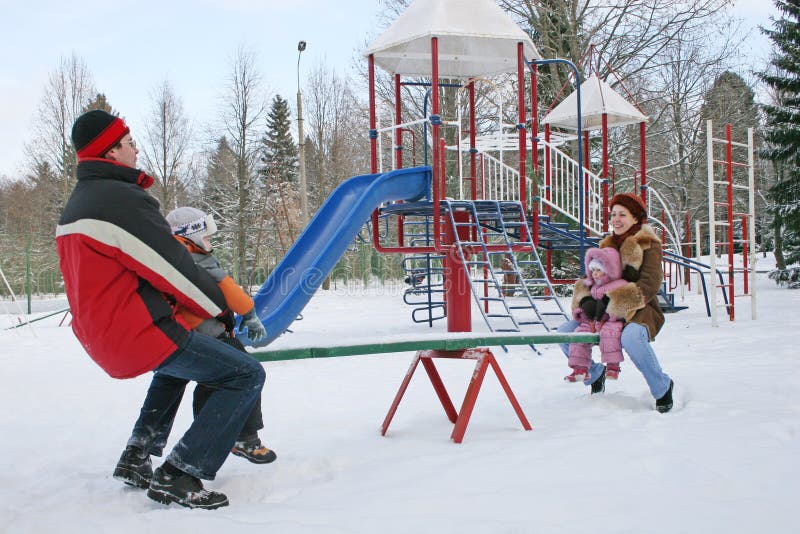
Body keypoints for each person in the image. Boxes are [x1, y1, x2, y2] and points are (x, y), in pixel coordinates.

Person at [56, 109, 265, 509]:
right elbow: (174, 268)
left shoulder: (79, 204)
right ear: (111, 150)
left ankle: (138, 454)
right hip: (137, 329)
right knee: (245, 373)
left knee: (175, 370)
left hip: (102, 333)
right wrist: (220, 310)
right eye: (129, 141)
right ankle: (181, 473)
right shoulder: (119, 200)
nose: (136, 147)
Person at [165, 206, 276, 464]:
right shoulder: (198, 260)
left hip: (190, 334)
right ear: (190, 235)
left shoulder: (171, 257)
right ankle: (246, 437)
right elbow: (229, 290)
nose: (209, 242)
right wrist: (248, 312)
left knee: (210, 382)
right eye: (206, 236)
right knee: (249, 372)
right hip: (211, 333)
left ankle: (208, 430)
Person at [556, 192, 675, 413]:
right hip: (601, 312)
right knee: (564, 333)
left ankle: (662, 387)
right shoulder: (606, 244)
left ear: (636, 218)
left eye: (623, 214)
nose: (616, 219)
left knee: (632, 338)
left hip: (639, 309)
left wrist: (614, 303)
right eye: (613, 215)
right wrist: (587, 300)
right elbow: (591, 277)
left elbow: (649, 285)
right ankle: (595, 373)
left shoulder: (649, 244)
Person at [565, 246, 628, 382]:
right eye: (593, 270)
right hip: (595, 321)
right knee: (579, 333)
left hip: (612, 320)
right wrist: (585, 312)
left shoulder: (620, 285)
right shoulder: (593, 286)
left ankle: (613, 366)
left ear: (610, 271)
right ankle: (580, 369)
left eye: (598, 270)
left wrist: (610, 312)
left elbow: (623, 305)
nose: (594, 273)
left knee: (610, 333)